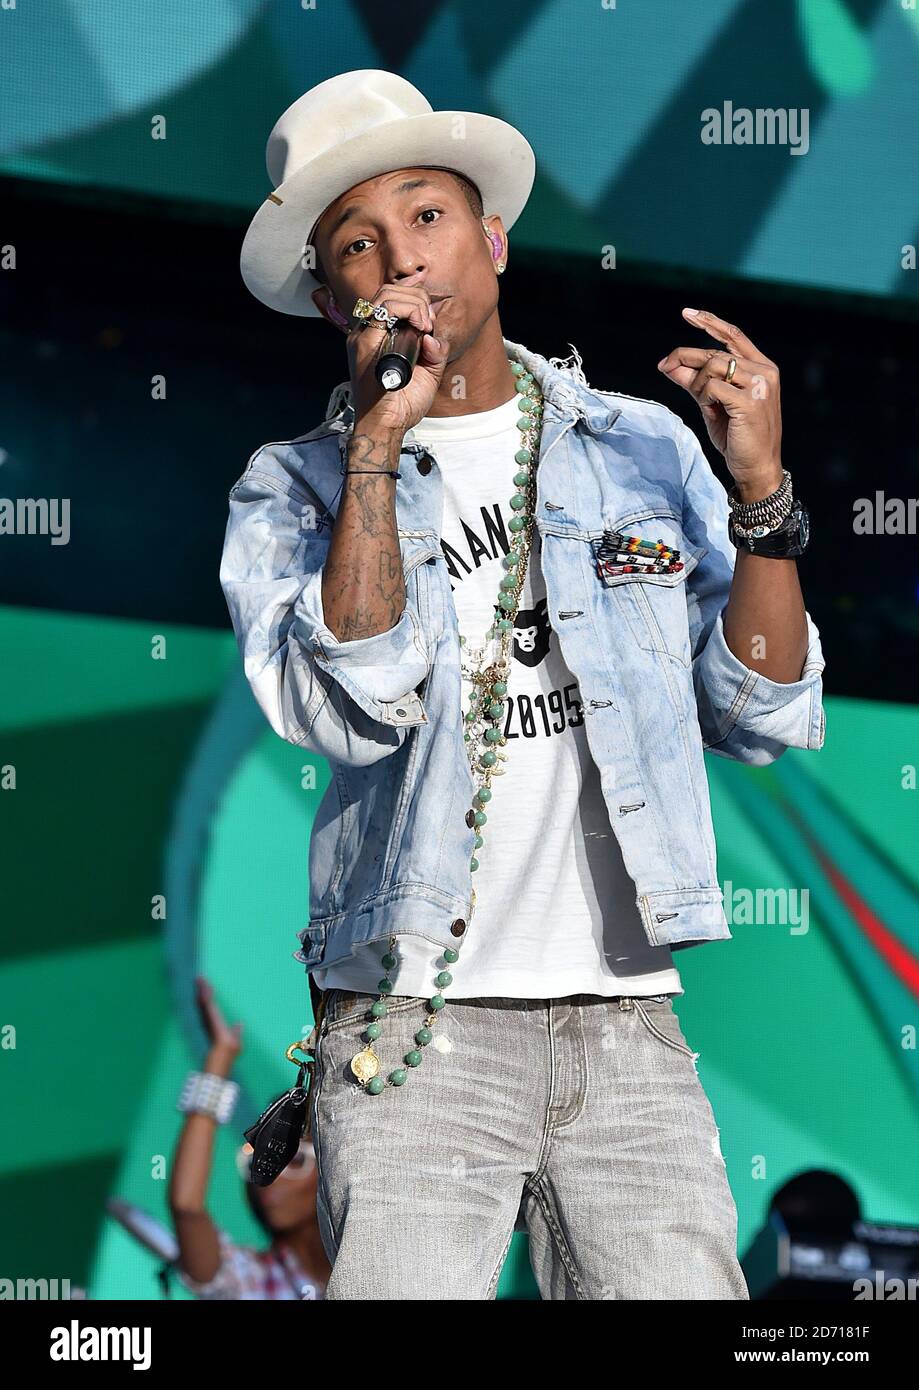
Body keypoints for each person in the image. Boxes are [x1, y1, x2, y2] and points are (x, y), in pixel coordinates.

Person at [220, 70, 825, 1299]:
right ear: (329, 293)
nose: (402, 261)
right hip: (408, 1029)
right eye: (358, 243)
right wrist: (381, 447)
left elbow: (754, 713)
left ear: (491, 235)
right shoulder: (291, 488)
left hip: (626, 1024)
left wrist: (762, 498)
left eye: (426, 217)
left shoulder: (643, 445)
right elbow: (355, 702)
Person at [168, 977, 330, 1299]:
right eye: (257, 1158)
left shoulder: (393, 1268)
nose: (269, 1176)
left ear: (332, 1168)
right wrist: (219, 1058)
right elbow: (187, 1206)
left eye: (295, 1159)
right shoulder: (247, 1280)